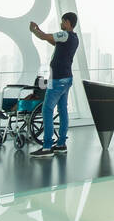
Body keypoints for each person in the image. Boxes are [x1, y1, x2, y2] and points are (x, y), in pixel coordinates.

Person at [28, 12, 78, 158]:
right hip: (66, 78)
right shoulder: (73, 38)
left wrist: (34, 30)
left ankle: (47, 146)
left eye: (63, 22)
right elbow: (53, 41)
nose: (61, 24)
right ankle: (61, 144)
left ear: (68, 23)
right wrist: (40, 31)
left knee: (47, 110)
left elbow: (44, 37)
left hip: (57, 80)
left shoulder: (65, 34)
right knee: (62, 110)